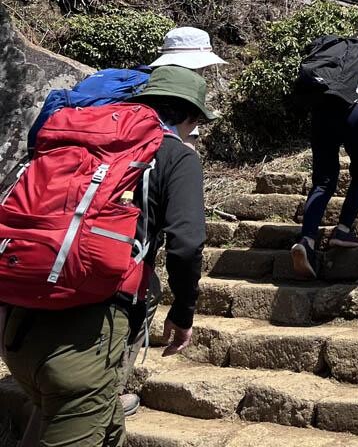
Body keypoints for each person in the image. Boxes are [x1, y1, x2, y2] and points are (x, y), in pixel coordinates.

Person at [3, 66, 212, 447]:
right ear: (186, 115)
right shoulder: (176, 157)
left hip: (18, 321)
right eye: (195, 122)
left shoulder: (76, 140)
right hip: (87, 331)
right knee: (78, 405)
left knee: (97, 421)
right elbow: (186, 243)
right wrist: (183, 314)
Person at [291, 9, 358, 278]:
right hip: (356, 112)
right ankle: (343, 229)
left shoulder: (343, 47)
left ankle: (306, 240)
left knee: (323, 180)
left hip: (323, 111)